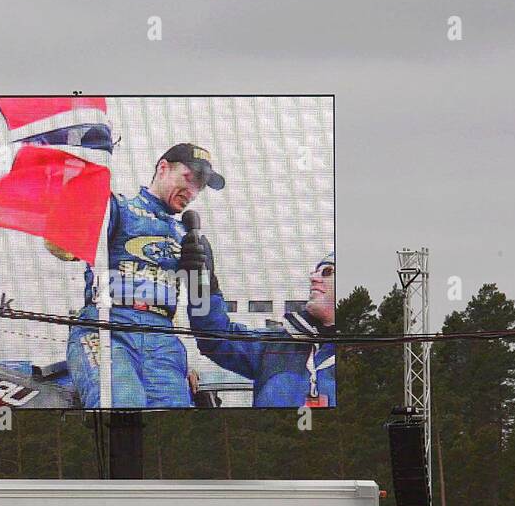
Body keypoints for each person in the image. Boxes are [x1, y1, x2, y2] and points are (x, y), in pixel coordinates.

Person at [59, 143, 225, 408]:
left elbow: (203, 314)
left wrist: (205, 278)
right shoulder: (119, 207)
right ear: (163, 168)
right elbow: (61, 249)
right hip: (110, 327)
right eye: (190, 178)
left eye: (201, 186)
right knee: (123, 407)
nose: (193, 192)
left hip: (163, 338)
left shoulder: (189, 237)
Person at [190, 251, 336, 407]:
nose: (313, 278)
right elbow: (215, 337)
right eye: (314, 272)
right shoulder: (276, 344)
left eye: (327, 272)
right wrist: (201, 286)